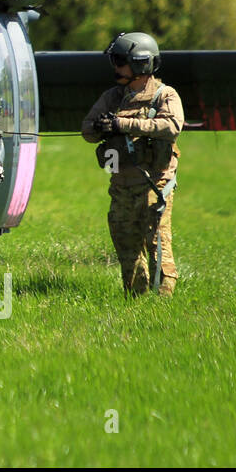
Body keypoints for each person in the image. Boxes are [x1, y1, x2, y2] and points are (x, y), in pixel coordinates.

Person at [81, 31, 184, 298]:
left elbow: (172, 126)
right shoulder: (112, 97)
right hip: (121, 185)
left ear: (140, 63)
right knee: (126, 243)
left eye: (120, 61)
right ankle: (135, 298)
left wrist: (123, 124)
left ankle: (163, 302)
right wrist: (103, 127)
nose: (115, 67)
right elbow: (87, 131)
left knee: (157, 241)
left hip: (155, 184)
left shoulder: (165, 95)